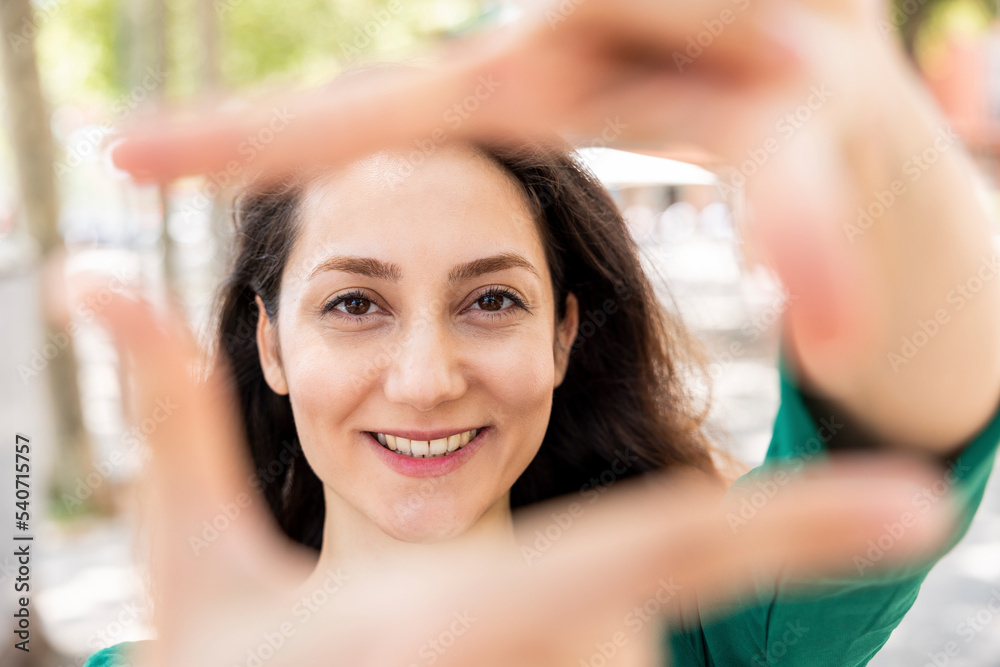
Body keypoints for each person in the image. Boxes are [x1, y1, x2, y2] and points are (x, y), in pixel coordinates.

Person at [71, 0, 1000, 665]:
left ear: (563, 336)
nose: (428, 379)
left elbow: (911, 424)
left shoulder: (714, 630)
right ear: (272, 344)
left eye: (492, 301)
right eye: (355, 303)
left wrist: (873, 118)